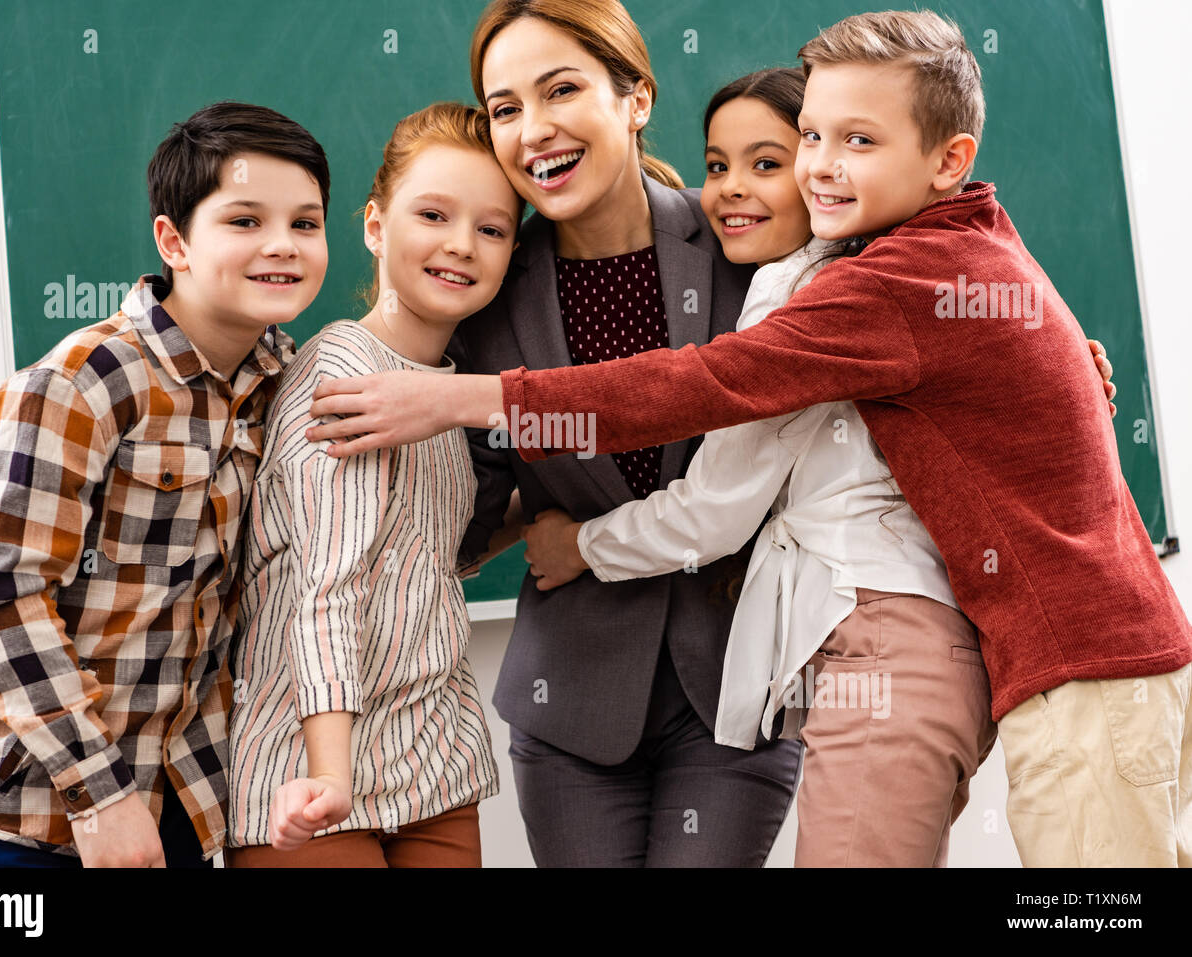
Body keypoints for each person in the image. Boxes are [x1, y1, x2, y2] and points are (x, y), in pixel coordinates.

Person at [308, 10, 1191, 868]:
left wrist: (474, 406)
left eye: (852, 143)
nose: (811, 170)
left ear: (636, 96)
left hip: (857, 661)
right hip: (615, 690)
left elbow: (712, 386)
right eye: (811, 138)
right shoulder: (505, 273)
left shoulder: (799, 252)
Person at [518, 65, 999, 867]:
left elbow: (714, 510)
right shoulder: (898, 267)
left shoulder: (807, 296)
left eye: (767, 162)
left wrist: (578, 545)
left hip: (881, 640)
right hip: (904, 648)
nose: (732, 190)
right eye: (715, 165)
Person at [412, 0, 802, 867]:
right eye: (506, 108)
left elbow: (895, 270)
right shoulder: (492, 289)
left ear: (636, 98)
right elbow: (466, 517)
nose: (534, 130)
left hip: (738, 690)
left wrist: (1039, 345)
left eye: (561, 90)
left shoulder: (747, 233)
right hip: (572, 711)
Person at [0, 102, 329, 867]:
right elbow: (7, 601)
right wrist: (100, 796)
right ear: (173, 240)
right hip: (31, 810)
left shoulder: (289, 381)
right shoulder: (82, 381)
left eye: (306, 224)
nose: (282, 246)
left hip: (185, 799)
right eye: (245, 221)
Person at [223, 103, 516, 868]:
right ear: (375, 226)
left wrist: (544, 524)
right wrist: (329, 772)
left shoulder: (451, 392)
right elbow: (331, 588)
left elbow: (417, 555)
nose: (462, 244)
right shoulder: (345, 374)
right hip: (314, 770)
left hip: (432, 764)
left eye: (492, 228)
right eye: (433, 214)